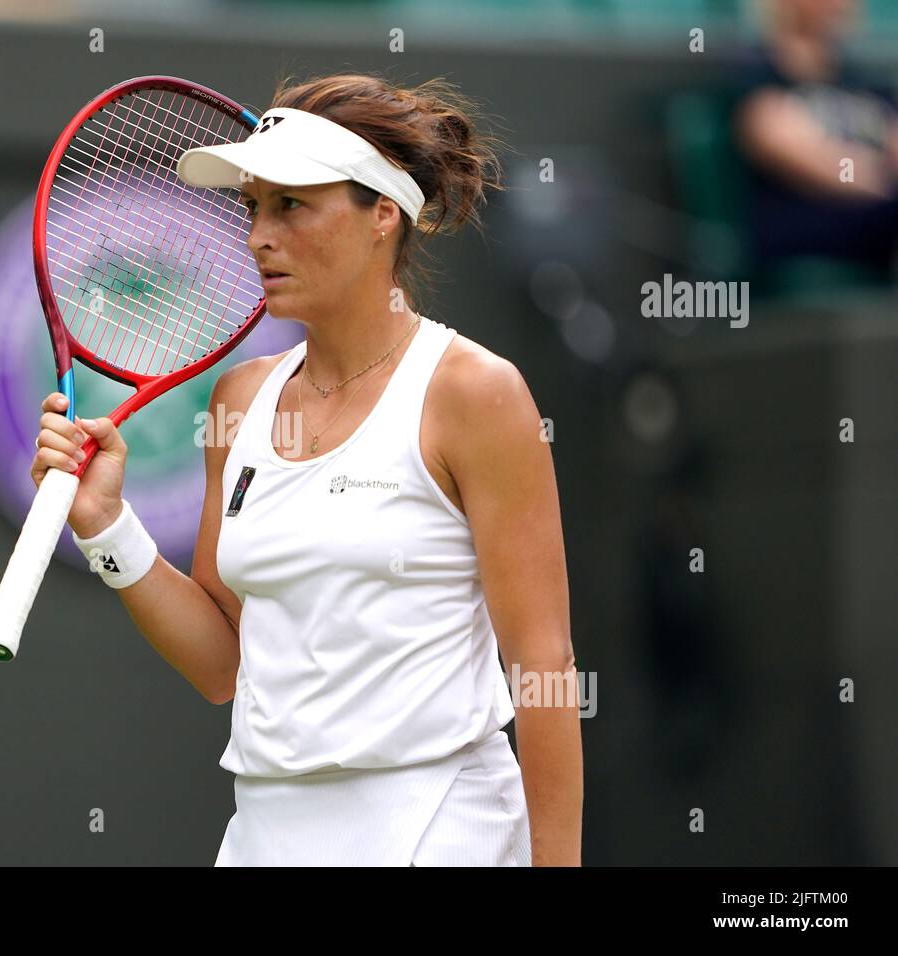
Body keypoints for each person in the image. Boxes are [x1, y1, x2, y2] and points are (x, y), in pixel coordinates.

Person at [31, 72, 582, 866]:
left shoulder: (474, 393)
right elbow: (224, 665)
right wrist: (106, 524)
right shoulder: (241, 402)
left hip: (441, 829)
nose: (259, 235)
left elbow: (545, 666)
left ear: (382, 216)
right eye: (252, 206)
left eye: (292, 205)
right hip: (265, 835)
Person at [732, 0, 898, 278]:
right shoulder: (760, 70)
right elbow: (784, 148)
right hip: (802, 222)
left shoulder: (864, 79)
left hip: (876, 218)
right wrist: (878, 177)